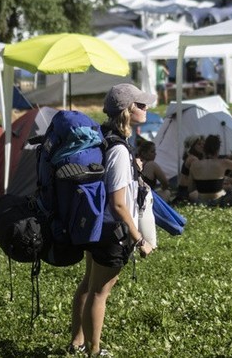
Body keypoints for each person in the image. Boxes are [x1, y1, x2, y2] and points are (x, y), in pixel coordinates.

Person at [70, 83, 155, 356]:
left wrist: (133, 168)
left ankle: (76, 342)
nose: (146, 108)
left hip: (96, 224)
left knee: (88, 284)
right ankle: (94, 351)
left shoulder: (104, 136)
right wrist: (138, 238)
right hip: (112, 229)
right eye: (140, 105)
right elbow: (118, 203)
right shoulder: (119, 150)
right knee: (99, 292)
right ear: (127, 110)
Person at [187, 135, 232, 203]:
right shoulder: (224, 162)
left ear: (205, 148)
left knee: (192, 194)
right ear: (218, 149)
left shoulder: (194, 165)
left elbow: (190, 188)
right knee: (228, 186)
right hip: (218, 200)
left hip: (201, 200)